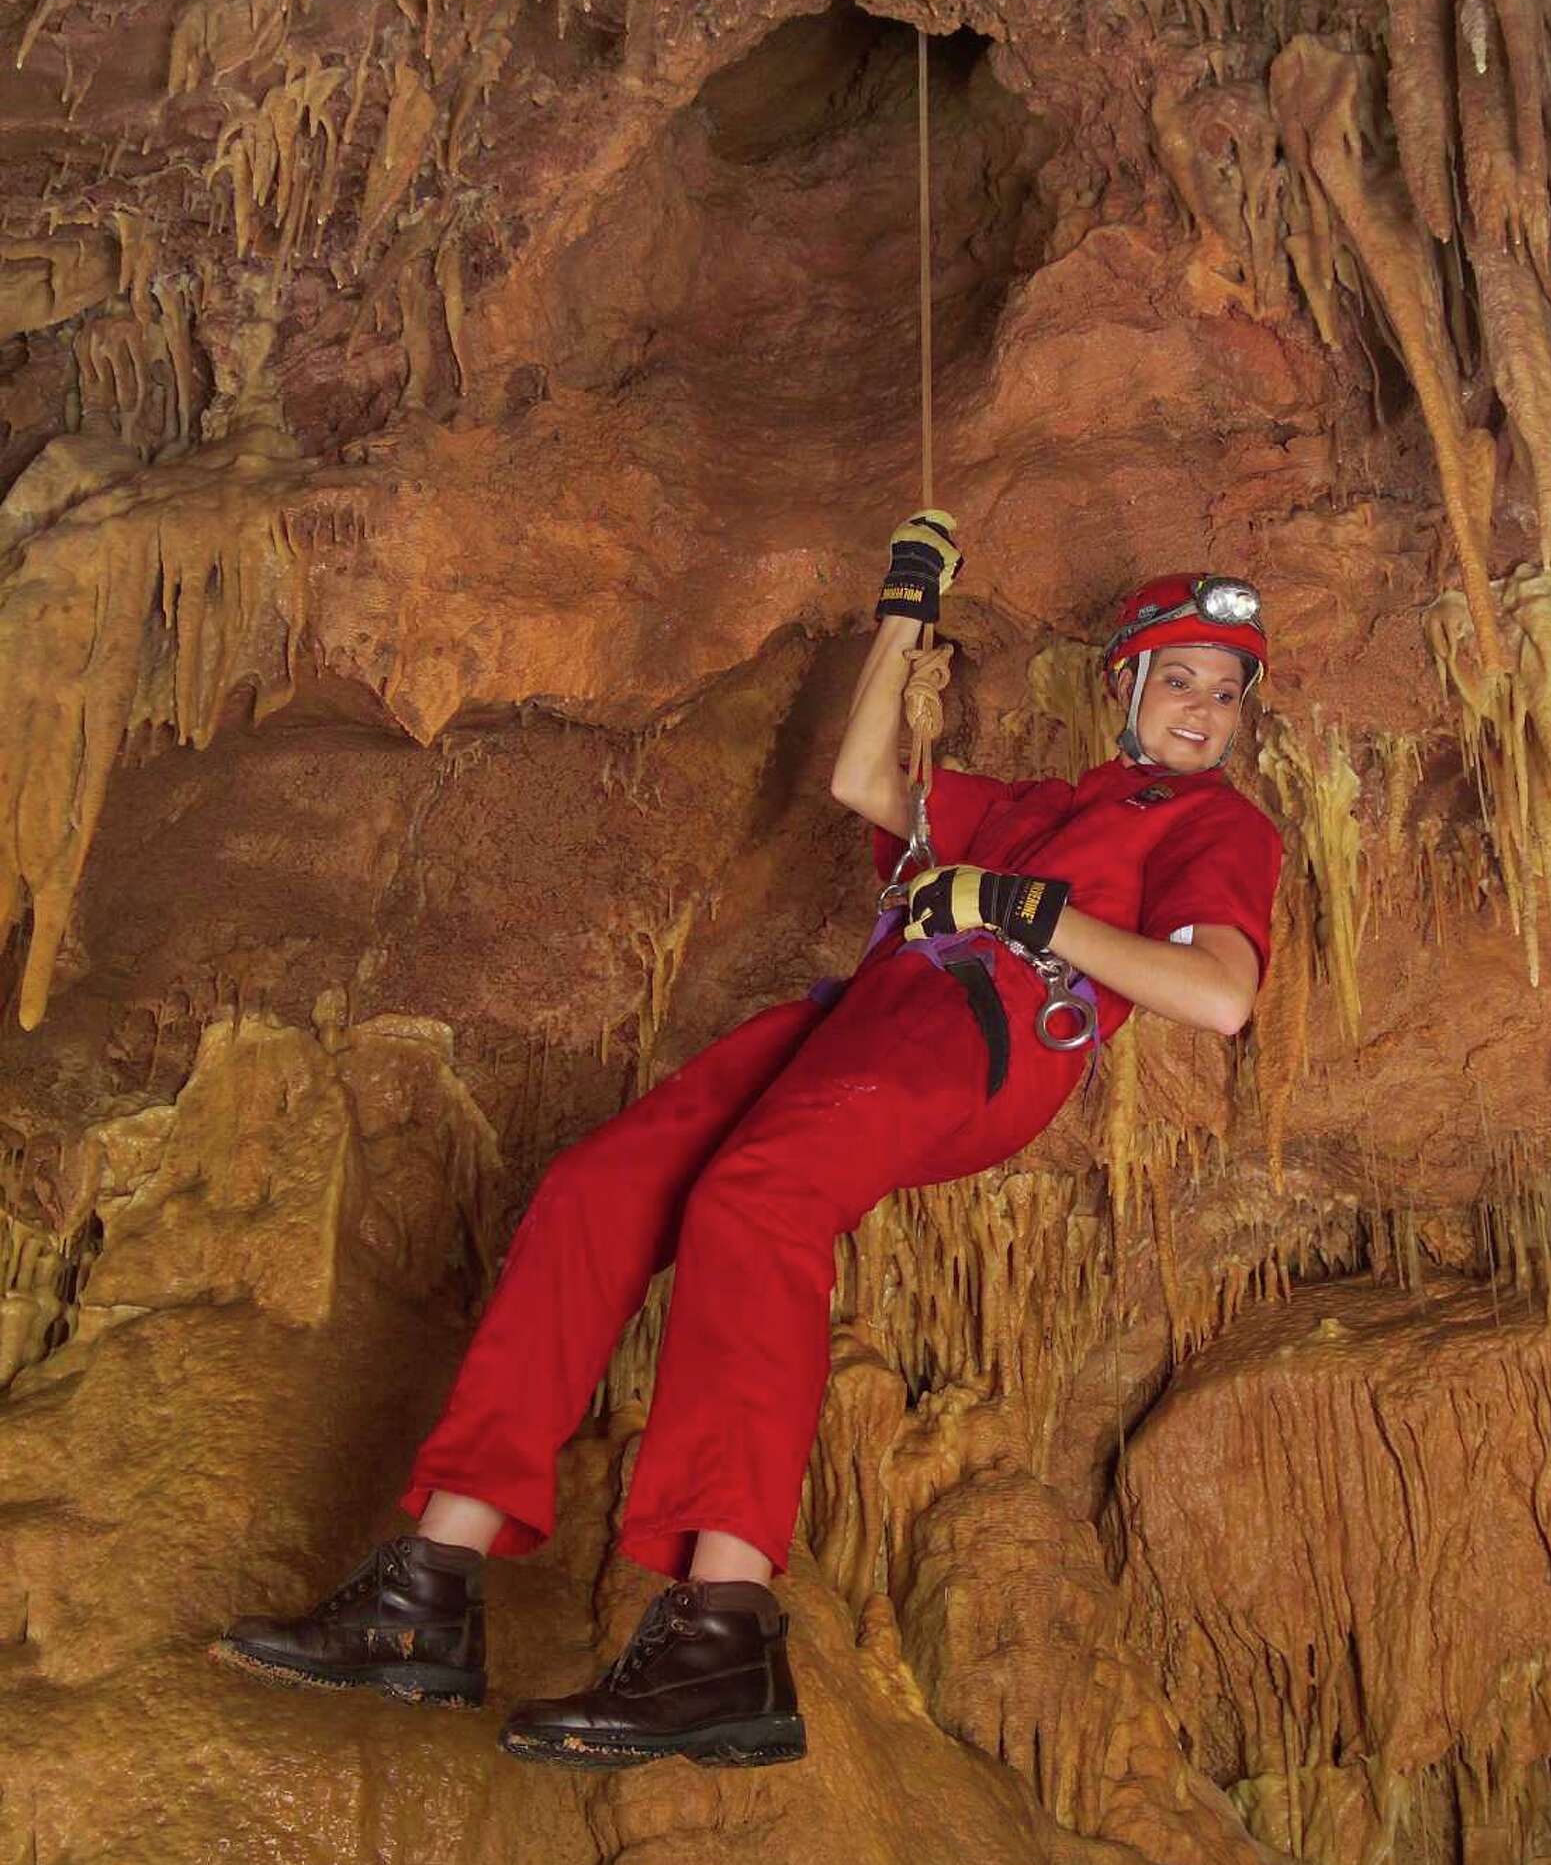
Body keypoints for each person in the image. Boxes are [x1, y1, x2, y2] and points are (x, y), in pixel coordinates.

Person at [213, 517, 1284, 1769]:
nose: (1204, 710)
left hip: (986, 1031)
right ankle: (429, 1587)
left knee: (754, 1201)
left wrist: (1014, 904)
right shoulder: (1036, 804)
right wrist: (904, 611)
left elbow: (1215, 994)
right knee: (600, 1187)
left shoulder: (1217, 825)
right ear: (1127, 683)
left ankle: (722, 1629)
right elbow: (864, 782)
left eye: (1226, 691)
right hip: (861, 1013)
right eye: (1182, 679)